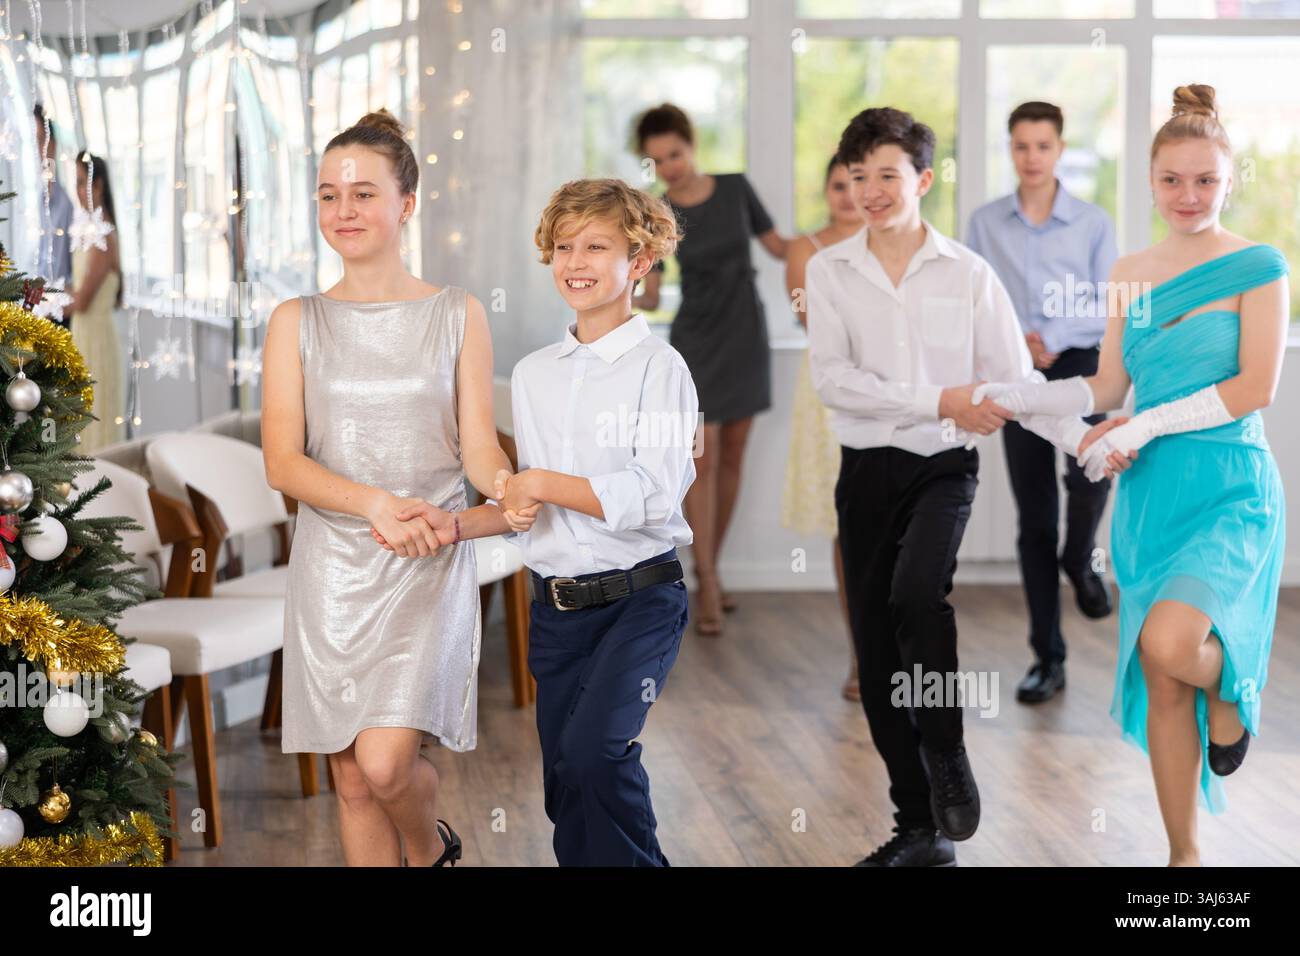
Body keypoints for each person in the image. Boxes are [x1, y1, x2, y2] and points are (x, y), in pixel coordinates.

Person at [972, 84, 1290, 866]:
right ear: (1150, 181)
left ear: (1230, 180)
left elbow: (1255, 388)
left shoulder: (1259, 266)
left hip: (1230, 487)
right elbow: (1108, 387)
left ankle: (1232, 688)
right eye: (1173, 180)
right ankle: (1184, 856)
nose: (1189, 195)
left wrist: (1144, 423)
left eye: (1206, 180)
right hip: (1152, 497)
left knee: (1174, 641)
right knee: (1159, 665)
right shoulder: (1129, 270)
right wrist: (1016, 396)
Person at [805, 106, 1091, 867]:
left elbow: (1015, 382)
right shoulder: (827, 270)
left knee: (914, 596)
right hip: (865, 472)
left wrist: (1084, 440)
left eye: (886, 175)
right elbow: (835, 382)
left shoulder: (968, 271)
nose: (870, 189)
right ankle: (918, 829)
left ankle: (949, 752)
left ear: (923, 180)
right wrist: (940, 397)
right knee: (874, 651)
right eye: (857, 176)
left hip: (943, 467)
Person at [263, 108, 522, 868]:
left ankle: (430, 847)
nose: (344, 211)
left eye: (363, 193)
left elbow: (477, 448)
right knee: (349, 780)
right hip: (333, 566)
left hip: (425, 556)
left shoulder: (457, 313)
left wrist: (509, 485)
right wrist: (373, 503)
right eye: (328, 195)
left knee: (383, 765)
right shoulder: (294, 321)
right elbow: (283, 463)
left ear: (406, 204)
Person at [412, 177, 694, 866]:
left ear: (640, 260)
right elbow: (523, 512)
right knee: (566, 781)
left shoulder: (662, 370)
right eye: (564, 245)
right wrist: (448, 525)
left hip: (641, 600)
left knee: (597, 753)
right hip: (558, 615)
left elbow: (653, 496)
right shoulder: (534, 375)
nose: (576, 260)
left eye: (597, 245)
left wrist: (539, 481)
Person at [965, 102, 1119, 704]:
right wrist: (1016, 346)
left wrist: (1049, 337)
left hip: (1081, 362)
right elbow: (977, 297)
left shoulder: (1091, 222)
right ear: (1011, 150)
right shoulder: (983, 223)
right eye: (1021, 146)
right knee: (1034, 519)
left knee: (1091, 473)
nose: (1032, 157)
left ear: (1059, 150)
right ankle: (1047, 659)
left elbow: (1107, 303)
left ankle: (1080, 562)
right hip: (1015, 372)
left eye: (1043, 146)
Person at [633, 103, 790, 635]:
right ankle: (704, 577)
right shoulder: (657, 210)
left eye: (674, 154)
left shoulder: (736, 188)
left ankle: (713, 571)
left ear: (690, 145)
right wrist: (625, 278)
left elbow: (780, 249)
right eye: (657, 161)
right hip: (696, 339)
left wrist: (840, 233)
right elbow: (652, 297)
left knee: (736, 450)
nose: (669, 167)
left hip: (745, 330)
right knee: (703, 456)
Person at [782, 157, 864, 701]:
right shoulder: (804, 249)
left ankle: (901, 647)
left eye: (859, 184)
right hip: (831, 391)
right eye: (837, 184)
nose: (848, 195)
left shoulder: (893, 242)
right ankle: (862, 654)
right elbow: (812, 320)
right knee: (850, 526)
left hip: (896, 386)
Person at [65, 151, 125, 453]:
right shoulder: (89, 232)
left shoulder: (103, 236)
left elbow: (83, 299)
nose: (78, 191)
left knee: (95, 423)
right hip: (84, 337)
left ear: (97, 185)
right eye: (75, 182)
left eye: (81, 182)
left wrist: (47, 302)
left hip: (96, 341)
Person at [32, 104, 73, 284]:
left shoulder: (64, 204)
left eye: (41, 140)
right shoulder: (41, 198)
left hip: (56, 305)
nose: (38, 150)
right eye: (35, 141)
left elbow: (58, 271)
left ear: (53, 145)